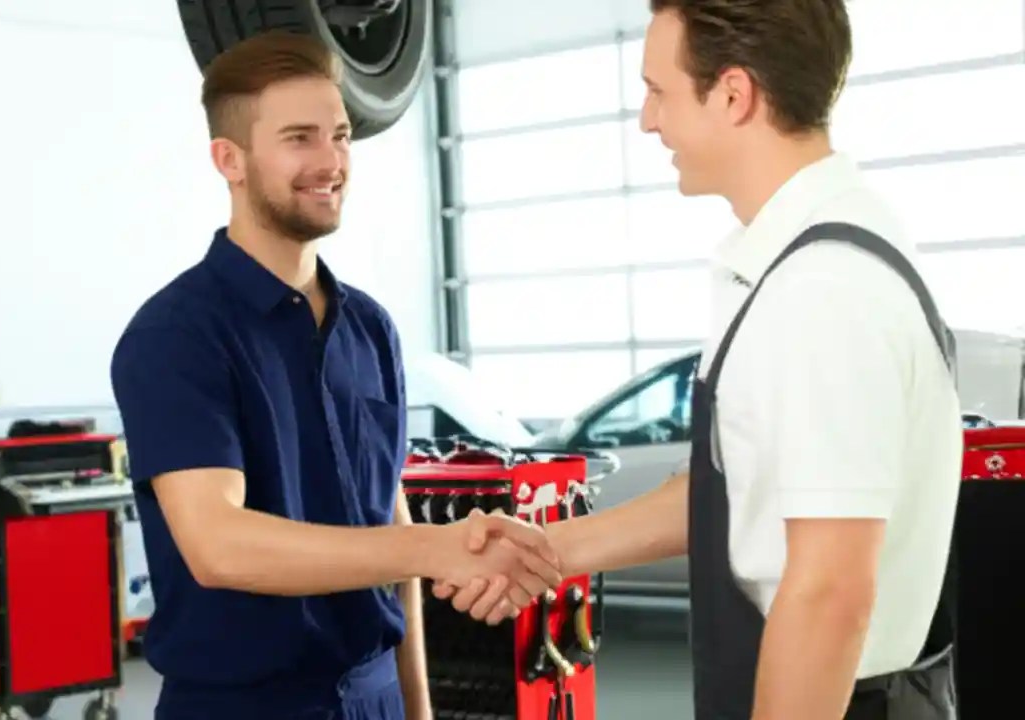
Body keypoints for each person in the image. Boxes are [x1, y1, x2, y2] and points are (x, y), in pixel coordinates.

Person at [435, 2, 962, 718]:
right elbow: (734, 490)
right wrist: (545, 549)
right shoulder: (803, 260)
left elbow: (829, 594)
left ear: (734, 95)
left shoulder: (823, 289)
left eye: (660, 91)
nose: (649, 121)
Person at [109, 30, 561, 720]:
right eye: (299, 138)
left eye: (341, 135)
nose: (331, 161)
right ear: (228, 159)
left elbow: (390, 511)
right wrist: (439, 548)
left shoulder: (369, 327)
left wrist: (417, 708)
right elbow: (218, 546)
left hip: (374, 692)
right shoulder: (178, 335)